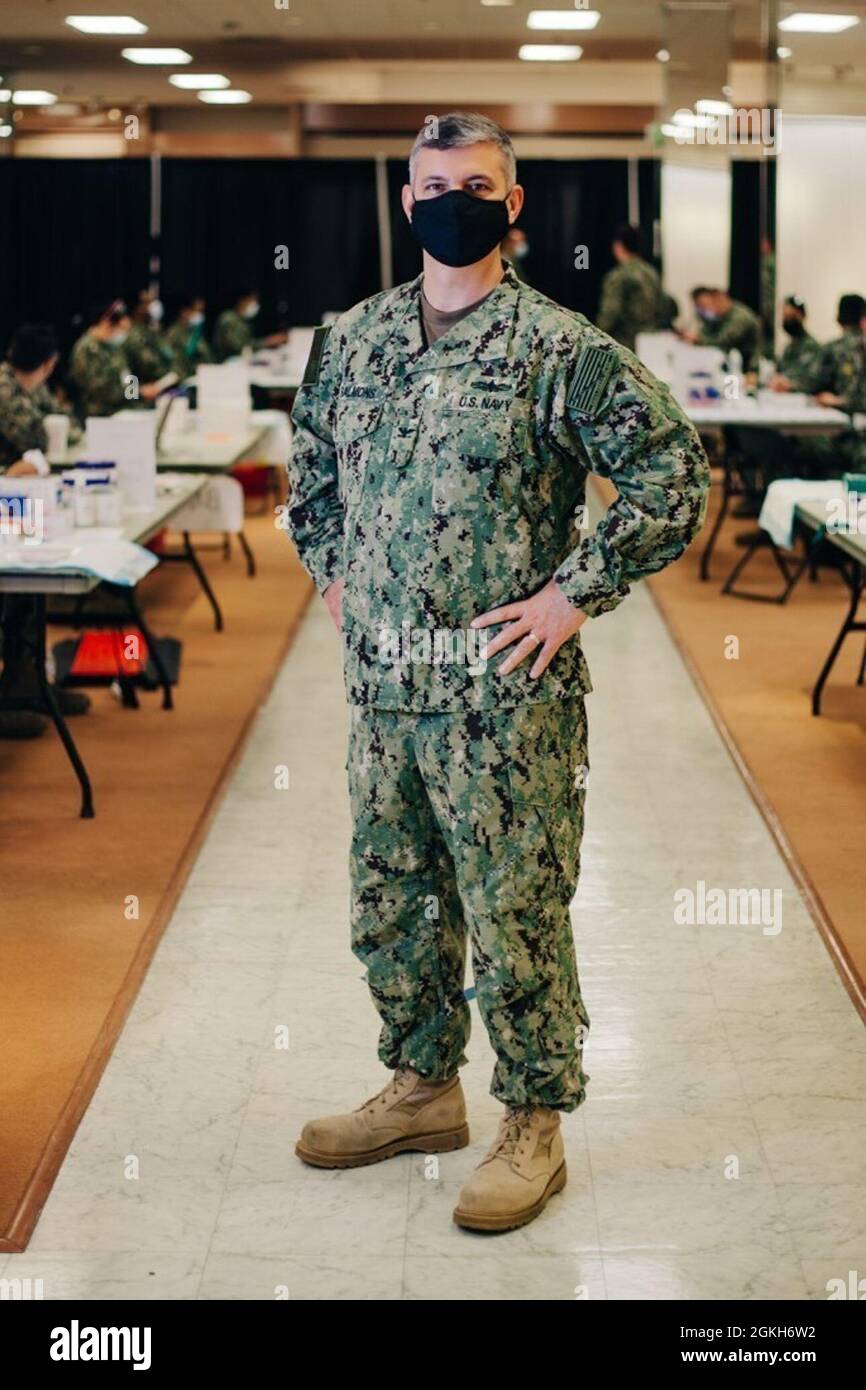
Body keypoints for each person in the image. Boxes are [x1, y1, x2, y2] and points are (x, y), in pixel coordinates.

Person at [286, 111, 710, 1233]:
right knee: (391, 901)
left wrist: (573, 594)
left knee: (514, 907)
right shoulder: (355, 341)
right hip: (384, 693)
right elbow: (311, 478)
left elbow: (671, 474)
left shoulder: (561, 350)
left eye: (475, 184)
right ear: (404, 200)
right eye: (433, 184)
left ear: (511, 205)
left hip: (502, 704)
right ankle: (423, 1088)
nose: (451, 200)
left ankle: (533, 1118)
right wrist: (333, 575)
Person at [0, 323, 77, 475]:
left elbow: (67, 420)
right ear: (49, 364)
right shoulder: (4, 389)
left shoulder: (35, 385)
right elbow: (38, 440)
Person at [68, 299, 154, 418]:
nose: (121, 334)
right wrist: (139, 392)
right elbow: (102, 390)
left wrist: (139, 390)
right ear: (106, 322)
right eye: (120, 329)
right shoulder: (87, 349)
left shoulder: (112, 347)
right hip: (101, 416)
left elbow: (126, 376)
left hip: (123, 411)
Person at [595, 223, 663, 352]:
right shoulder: (651, 273)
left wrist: (595, 337)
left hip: (626, 345)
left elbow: (610, 313)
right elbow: (663, 307)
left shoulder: (619, 275)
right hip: (650, 343)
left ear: (618, 246)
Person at [684, 287, 762, 372]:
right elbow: (706, 333)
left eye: (705, 305)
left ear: (719, 299)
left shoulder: (739, 317)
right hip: (729, 366)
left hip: (749, 369)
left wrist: (698, 340)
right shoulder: (718, 317)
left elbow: (722, 341)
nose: (705, 309)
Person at [124, 287, 177, 389]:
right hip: (138, 395)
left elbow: (170, 356)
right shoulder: (131, 335)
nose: (152, 307)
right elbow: (150, 367)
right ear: (137, 308)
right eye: (147, 303)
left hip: (159, 389)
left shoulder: (150, 332)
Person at [212, 289, 286, 362]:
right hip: (227, 363)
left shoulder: (242, 319)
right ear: (242, 300)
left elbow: (246, 343)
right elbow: (239, 347)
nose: (255, 304)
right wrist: (267, 342)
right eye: (252, 300)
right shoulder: (229, 319)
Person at [769, 296, 823, 393]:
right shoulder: (788, 347)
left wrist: (790, 385)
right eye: (784, 316)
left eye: (790, 316)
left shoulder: (811, 347)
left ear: (801, 316)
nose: (786, 320)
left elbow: (812, 381)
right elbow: (779, 372)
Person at [164, 292, 213, 376]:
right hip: (184, 377)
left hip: (202, 373)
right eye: (197, 311)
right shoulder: (174, 333)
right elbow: (174, 361)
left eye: (202, 311)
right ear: (185, 312)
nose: (200, 315)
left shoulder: (195, 331)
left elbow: (207, 355)